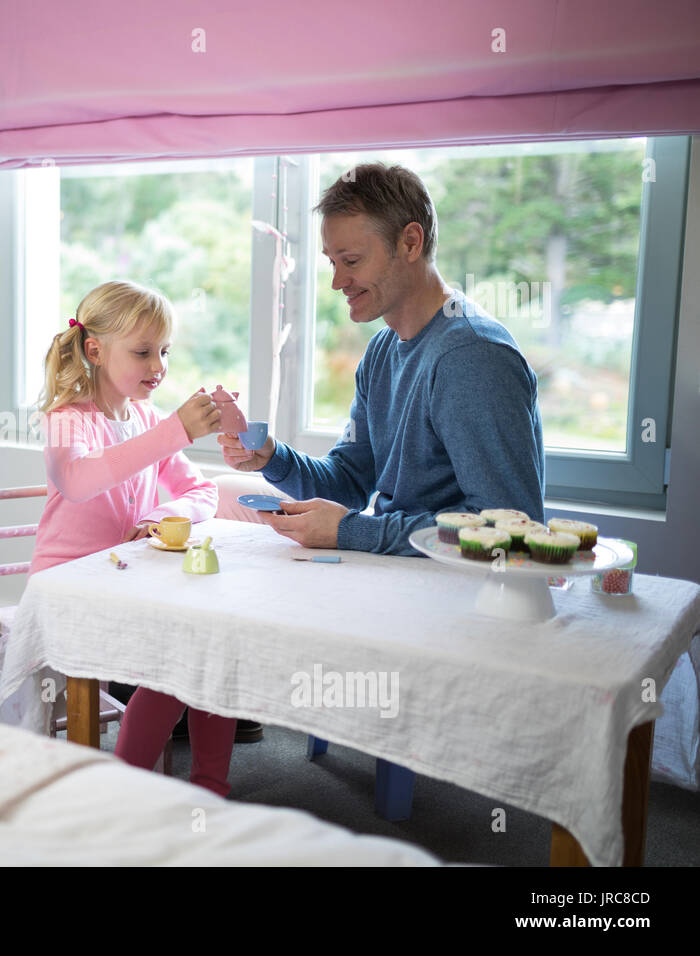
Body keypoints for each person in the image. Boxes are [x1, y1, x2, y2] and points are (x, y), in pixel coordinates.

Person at [218, 163, 544, 555]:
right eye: (332, 262)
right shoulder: (383, 350)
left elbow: (510, 526)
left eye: (351, 261)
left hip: (461, 593)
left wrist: (352, 531)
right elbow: (350, 481)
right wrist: (273, 457)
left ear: (410, 242)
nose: (337, 282)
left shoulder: (471, 357)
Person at [27, 279, 238, 797]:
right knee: (182, 659)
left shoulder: (144, 418)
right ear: (95, 350)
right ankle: (128, 787)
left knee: (210, 645)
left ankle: (210, 790)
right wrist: (173, 433)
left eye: (164, 351)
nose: (158, 366)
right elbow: (77, 480)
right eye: (143, 352)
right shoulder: (64, 421)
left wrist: (160, 516)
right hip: (68, 590)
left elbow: (201, 491)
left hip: (125, 578)